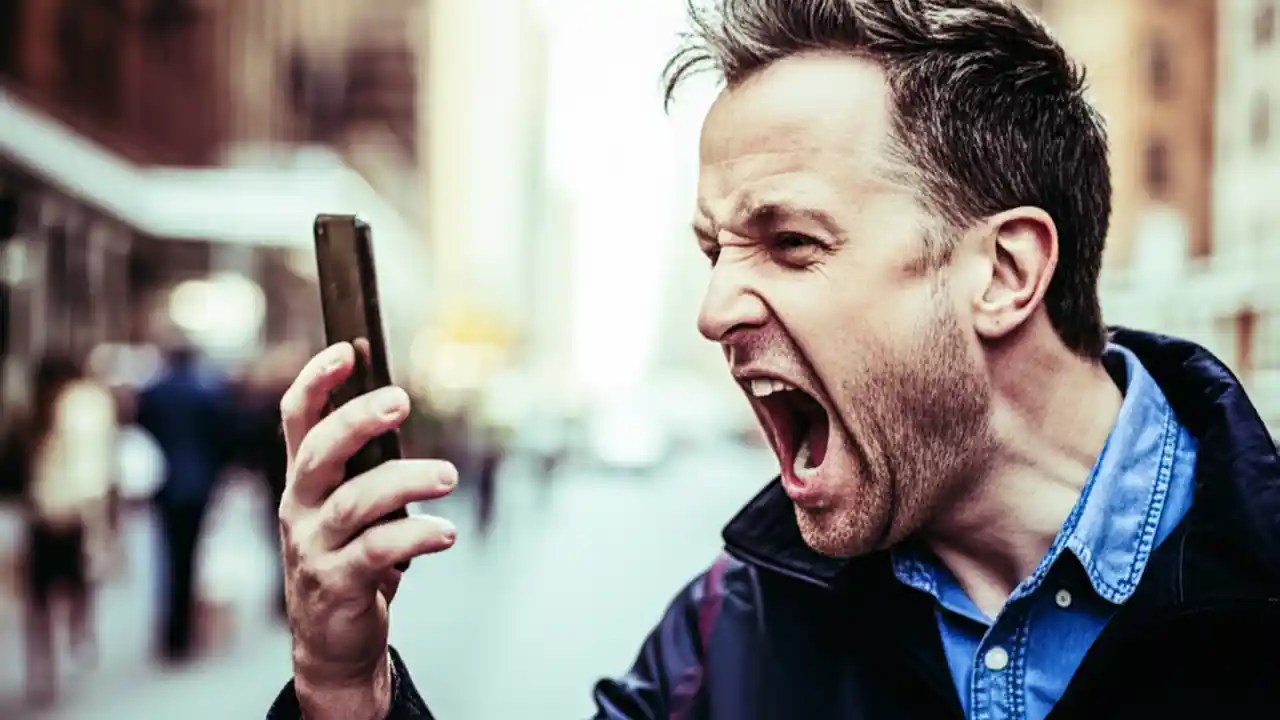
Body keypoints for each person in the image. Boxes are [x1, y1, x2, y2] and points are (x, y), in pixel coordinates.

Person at [266, 1, 1280, 718]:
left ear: (1002, 272)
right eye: (712, 252)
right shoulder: (725, 636)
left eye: (790, 242)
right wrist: (345, 691)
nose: (712, 313)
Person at [13, 354, 117, 704]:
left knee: (43, 598)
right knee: (67, 588)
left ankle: (47, 665)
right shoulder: (83, 406)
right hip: (67, 512)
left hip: (47, 511)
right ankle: (68, 646)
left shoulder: (42, 408)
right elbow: (96, 469)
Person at [136, 343, 231, 662]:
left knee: (168, 556)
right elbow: (220, 438)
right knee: (189, 558)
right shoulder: (204, 392)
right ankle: (185, 632)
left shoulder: (155, 392)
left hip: (165, 484)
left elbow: (142, 430)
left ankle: (171, 632)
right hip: (197, 484)